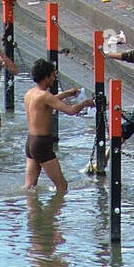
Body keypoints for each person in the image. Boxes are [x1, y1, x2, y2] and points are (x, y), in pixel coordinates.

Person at [24, 59, 96, 193]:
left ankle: (32, 213)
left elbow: (49, 101)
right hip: (42, 143)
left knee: (29, 187)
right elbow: (71, 111)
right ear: (46, 77)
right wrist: (85, 103)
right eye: (52, 75)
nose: (54, 78)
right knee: (62, 186)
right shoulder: (45, 96)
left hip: (30, 142)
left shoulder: (30, 93)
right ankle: (54, 213)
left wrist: (68, 93)